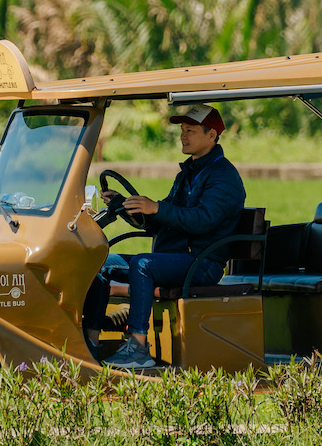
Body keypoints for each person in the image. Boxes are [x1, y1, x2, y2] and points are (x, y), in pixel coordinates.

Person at [86, 104, 246, 370]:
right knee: (100, 262)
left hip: (201, 262)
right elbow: (163, 220)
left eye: (191, 131)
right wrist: (127, 206)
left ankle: (138, 347)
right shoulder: (188, 173)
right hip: (176, 256)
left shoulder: (224, 177)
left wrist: (157, 208)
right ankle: (90, 341)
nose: (183, 136)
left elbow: (203, 220)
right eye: (182, 130)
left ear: (212, 135)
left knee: (142, 264)